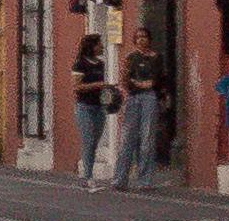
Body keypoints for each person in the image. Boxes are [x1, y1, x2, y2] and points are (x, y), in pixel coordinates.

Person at [123, 33, 171, 189]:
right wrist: (138, 84)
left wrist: (142, 84)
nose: (141, 39)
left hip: (150, 97)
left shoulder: (156, 58)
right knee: (128, 138)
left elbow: (156, 81)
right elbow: (125, 79)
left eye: (144, 37)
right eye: (138, 37)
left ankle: (145, 180)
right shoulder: (130, 57)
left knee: (147, 138)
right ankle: (120, 178)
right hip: (133, 97)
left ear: (150, 39)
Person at [72, 32, 120, 188]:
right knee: (88, 140)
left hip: (99, 107)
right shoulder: (80, 64)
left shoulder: (101, 64)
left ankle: (89, 173)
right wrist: (98, 85)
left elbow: (103, 84)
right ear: (92, 46)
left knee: (94, 142)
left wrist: (110, 88)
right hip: (84, 107)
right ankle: (87, 176)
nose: (102, 46)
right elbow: (77, 87)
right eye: (99, 44)